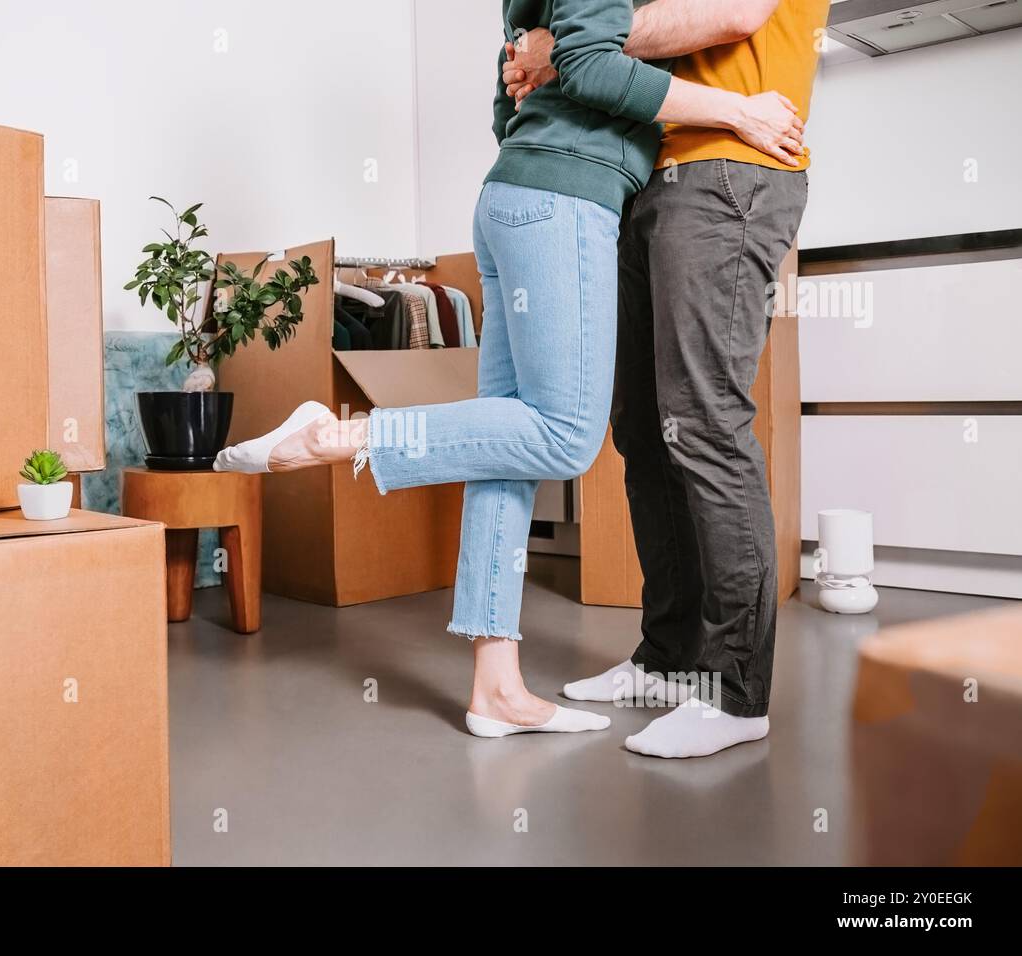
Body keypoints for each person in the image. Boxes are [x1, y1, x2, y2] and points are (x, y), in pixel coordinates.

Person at [214, 0, 802, 739]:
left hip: (515, 198)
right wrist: (731, 111)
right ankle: (341, 438)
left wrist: (544, 84)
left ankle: (496, 686)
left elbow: (511, 94)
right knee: (562, 436)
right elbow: (592, 60)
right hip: (564, 202)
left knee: (509, 448)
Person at [503, 0, 830, 757]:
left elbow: (736, 14)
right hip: (657, 179)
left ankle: (735, 690)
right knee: (646, 431)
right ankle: (671, 660)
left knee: (706, 422)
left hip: (732, 172)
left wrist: (560, 45)